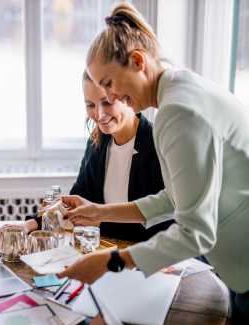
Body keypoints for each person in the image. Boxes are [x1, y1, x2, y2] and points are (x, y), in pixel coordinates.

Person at [57, 3, 249, 321]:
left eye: (108, 83)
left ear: (137, 61)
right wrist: (100, 212)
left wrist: (111, 261)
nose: (110, 98)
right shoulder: (182, 89)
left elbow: (195, 233)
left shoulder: (178, 114)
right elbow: (176, 197)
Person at [0, 69, 173, 245]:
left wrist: (99, 222)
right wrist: (29, 225)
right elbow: (76, 203)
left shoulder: (158, 145)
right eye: (90, 105)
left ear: (127, 97)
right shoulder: (97, 142)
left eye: (107, 102)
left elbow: (163, 227)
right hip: (105, 254)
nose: (98, 115)